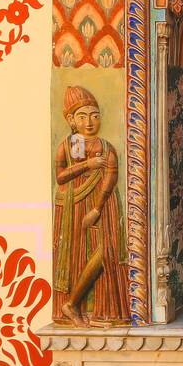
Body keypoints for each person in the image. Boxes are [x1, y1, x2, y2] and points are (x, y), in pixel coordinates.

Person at [53, 85, 130, 326]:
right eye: (82, 116)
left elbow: (111, 177)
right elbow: (61, 177)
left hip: (103, 205)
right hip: (72, 205)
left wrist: (97, 209)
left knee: (106, 252)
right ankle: (75, 306)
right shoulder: (70, 145)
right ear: (71, 120)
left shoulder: (106, 147)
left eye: (94, 116)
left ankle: (96, 309)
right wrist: (87, 165)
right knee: (75, 254)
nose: (89, 122)